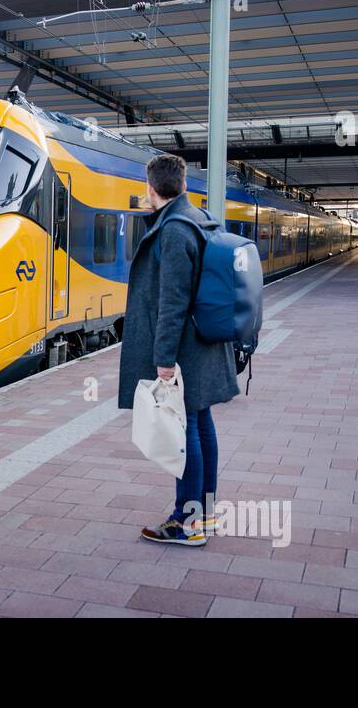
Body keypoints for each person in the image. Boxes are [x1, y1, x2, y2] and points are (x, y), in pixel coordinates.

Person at [118, 153, 239, 546]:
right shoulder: (197, 219)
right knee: (201, 427)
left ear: (151, 189)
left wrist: (164, 360)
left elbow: (172, 301)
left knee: (187, 434)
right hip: (203, 344)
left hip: (185, 349)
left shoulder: (173, 231)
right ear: (184, 186)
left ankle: (186, 524)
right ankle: (202, 515)